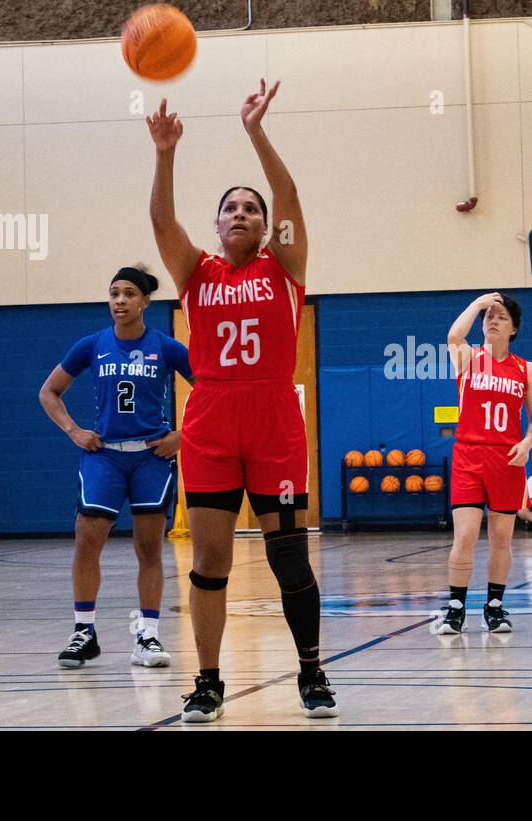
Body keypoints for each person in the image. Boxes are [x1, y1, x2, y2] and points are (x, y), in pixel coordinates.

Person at [147, 82, 338, 720]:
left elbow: (289, 199)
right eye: (230, 208)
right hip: (210, 422)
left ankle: (311, 671)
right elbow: (160, 222)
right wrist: (165, 152)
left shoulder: (284, 267)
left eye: (250, 210)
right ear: (217, 224)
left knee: (287, 554)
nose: (241, 215)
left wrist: (256, 132)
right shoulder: (194, 271)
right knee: (209, 560)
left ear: (264, 225)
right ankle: (207, 680)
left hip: (274, 421)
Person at [39, 266, 192, 670]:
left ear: (145, 302)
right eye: (114, 294)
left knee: (149, 550)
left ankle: (148, 637)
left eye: (128, 294)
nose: (119, 301)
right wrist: (73, 430)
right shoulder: (92, 345)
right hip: (104, 455)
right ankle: (83, 632)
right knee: (87, 543)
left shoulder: (167, 347)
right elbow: (49, 392)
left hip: (151, 457)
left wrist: (182, 433)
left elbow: (212, 389)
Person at [434, 292, 532, 636]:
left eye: (501, 317)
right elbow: (454, 336)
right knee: (465, 536)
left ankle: (494, 607)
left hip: (507, 461)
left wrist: (527, 443)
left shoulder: (527, 370)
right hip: (469, 457)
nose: (493, 321)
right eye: (489, 317)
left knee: (500, 539)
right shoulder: (469, 358)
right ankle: (455, 609)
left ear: (514, 329)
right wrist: (479, 303)